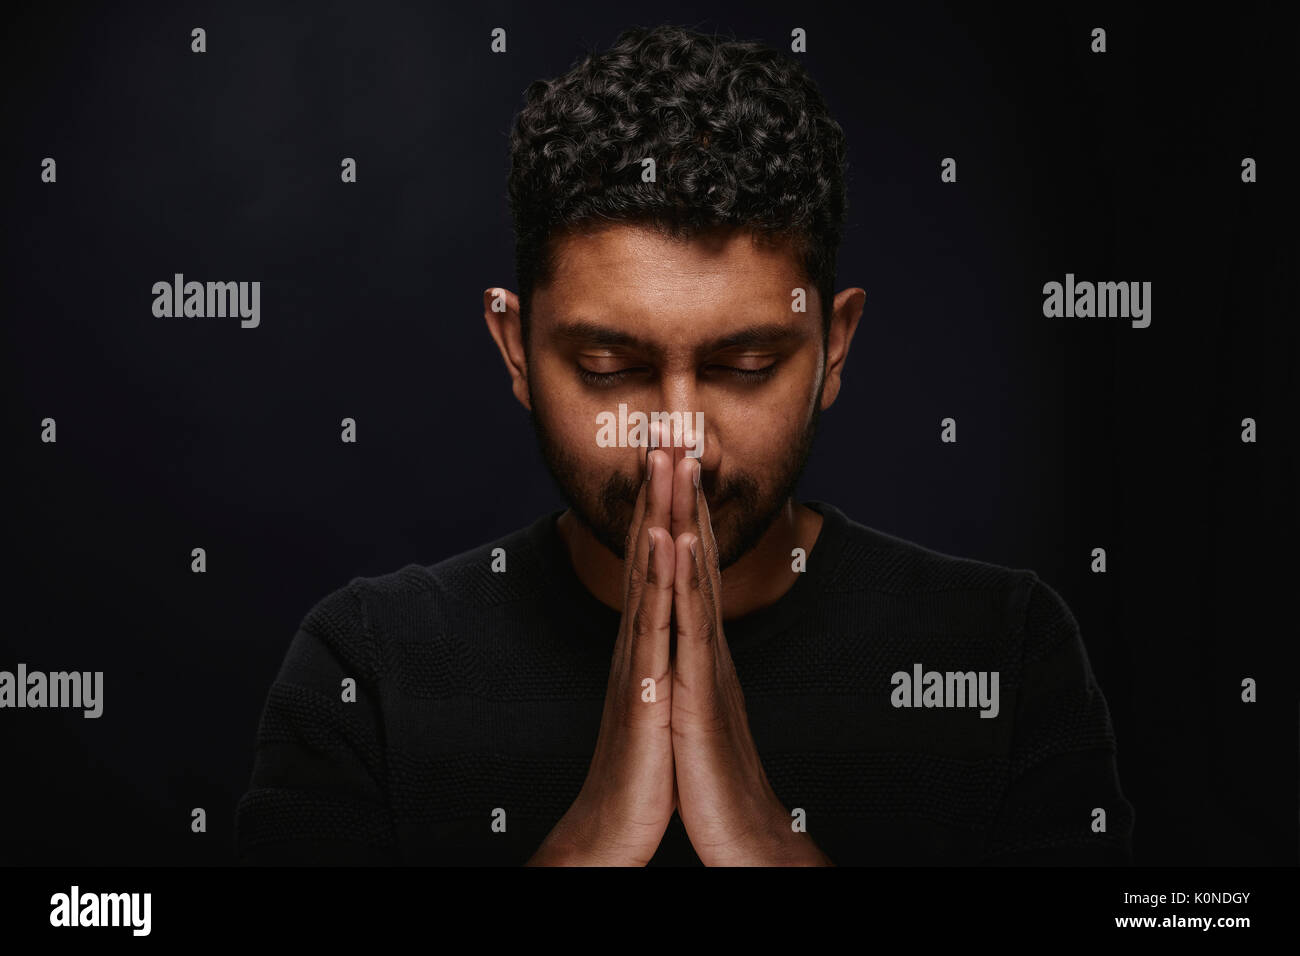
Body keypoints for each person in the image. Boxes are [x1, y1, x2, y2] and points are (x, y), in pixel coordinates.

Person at [235, 23, 1133, 866]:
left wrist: (766, 845)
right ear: (515, 349)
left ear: (835, 347)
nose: (677, 440)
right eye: (606, 364)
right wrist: (588, 844)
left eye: (744, 364)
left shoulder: (1002, 656)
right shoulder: (370, 669)